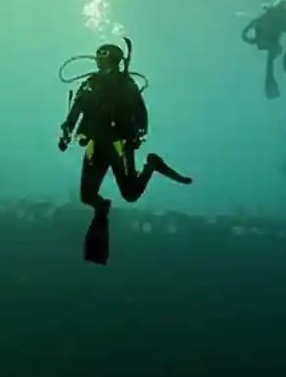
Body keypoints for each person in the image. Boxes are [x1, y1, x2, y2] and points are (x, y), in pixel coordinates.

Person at [58, 42, 192, 264]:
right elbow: (75, 112)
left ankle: (152, 166)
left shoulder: (126, 84)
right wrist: (67, 133)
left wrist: (137, 136)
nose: (102, 62)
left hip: (119, 144)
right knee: (87, 196)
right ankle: (102, 209)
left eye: (106, 58)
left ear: (116, 61)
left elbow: (141, 114)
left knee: (130, 193)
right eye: (100, 58)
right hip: (95, 145)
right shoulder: (90, 83)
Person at [241, 0, 286, 99]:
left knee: (272, 54)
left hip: (266, 38)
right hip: (266, 37)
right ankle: (270, 82)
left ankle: (270, 82)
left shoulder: (273, 18)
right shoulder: (275, 18)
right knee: (272, 53)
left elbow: (247, 31)